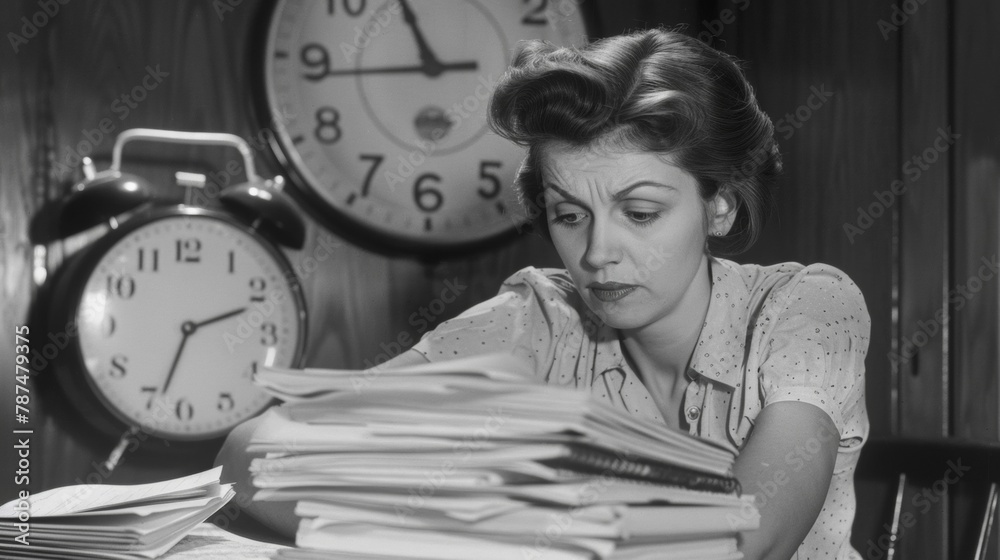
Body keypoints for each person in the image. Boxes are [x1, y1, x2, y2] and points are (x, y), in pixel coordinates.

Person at [217, 28, 870, 559]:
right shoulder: (540, 317)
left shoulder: (807, 309)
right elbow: (257, 450)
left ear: (719, 206)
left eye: (640, 212)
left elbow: (747, 538)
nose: (596, 253)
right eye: (569, 214)